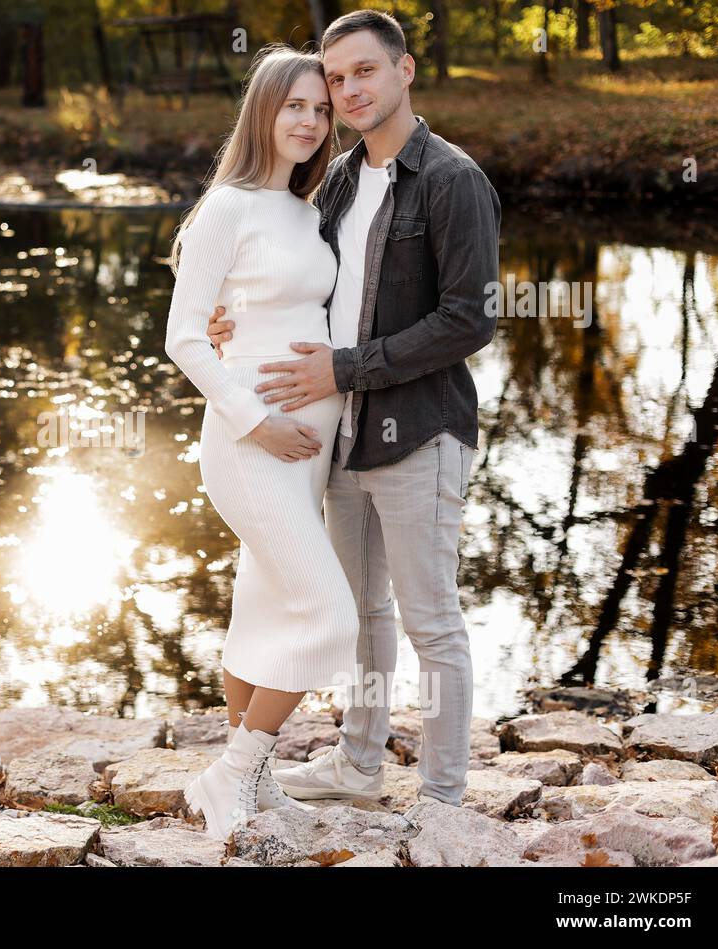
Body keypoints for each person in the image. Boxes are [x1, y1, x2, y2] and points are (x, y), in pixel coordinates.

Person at [206, 9, 501, 811]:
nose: (347, 90)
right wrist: (229, 319)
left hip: (420, 430)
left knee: (429, 622)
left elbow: (469, 317)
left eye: (363, 71)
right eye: (335, 79)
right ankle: (358, 767)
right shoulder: (336, 180)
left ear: (404, 71)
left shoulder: (451, 179)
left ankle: (441, 798)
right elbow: (293, 278)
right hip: (339, 438)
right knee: (363, 612)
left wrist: (345, 368)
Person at [164, 43, 360, 841]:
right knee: (329, 615)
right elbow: (185, 337)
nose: (311, 122)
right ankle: (233, 772)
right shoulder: (229, 205)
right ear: (263, 110)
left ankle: (257, 779)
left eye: (321, 109)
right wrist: (256, 419)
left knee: (265, 609)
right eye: (295, 106)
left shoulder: (309, 209)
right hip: (252, 445)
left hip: (310, 446)